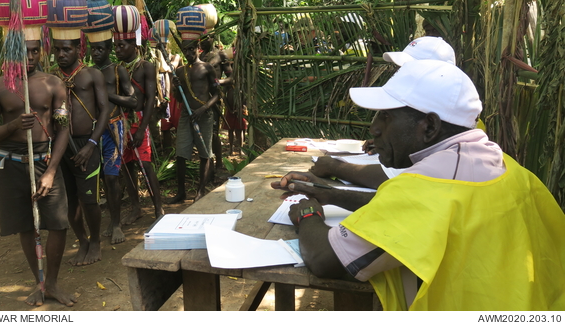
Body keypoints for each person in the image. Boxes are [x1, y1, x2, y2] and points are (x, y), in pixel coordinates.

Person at [277, 60, 565, 310]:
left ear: (429, 126)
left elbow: (324, 259)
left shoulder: (426, 187)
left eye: (386, 116)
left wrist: (307, 214)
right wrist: (329, 192)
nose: (374, 128)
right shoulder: (511, 169)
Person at [290, 36, 458, 197]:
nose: (400, 73)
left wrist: (334, 167)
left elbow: (404, 177)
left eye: (409, 68)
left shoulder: (453, 118)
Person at [0, 39, 76, 307]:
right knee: (25, 224)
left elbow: (63, 129)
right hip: (10, 164)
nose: (31, 56)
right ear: (12, 51)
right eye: (25, 52)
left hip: (45, 162)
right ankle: (40, 282)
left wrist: (51, 171)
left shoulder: (53, 84)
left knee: (58, 224)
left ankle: (53, 283)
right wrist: (12, 125)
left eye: (35, 51)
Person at [54, 38, 110, 261]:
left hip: (87, 143)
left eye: (67, 49)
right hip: (61, 145)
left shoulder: (92, 74)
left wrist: (92, 144)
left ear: (79, 49)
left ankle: (95, 241)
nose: (61, 54)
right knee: (69, 199)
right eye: (57, 49)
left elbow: (104, 110)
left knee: (89, 199)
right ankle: (83, 240)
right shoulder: (51, 77)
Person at [90, 39, 139, 243]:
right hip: (93, 130)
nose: (96, 53)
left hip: (114, 127)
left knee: (111, 177)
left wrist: (107, 95)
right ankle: (110, 220)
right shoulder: (88, 73)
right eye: (93, 49)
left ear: (109, 50)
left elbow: (133, 101)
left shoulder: (118, 70)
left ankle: (116, 224)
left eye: (100, 49)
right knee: (100, 177)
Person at [115, 38, 164, 221]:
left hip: (139, 119)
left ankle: (158, 208)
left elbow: (151, 98)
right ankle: (136, 208)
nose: (118, 49)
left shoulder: (146, 67)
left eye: (122, 45)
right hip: (122, 121)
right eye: (116, 46)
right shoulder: (117, 68)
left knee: (145, 164)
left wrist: (143, 128)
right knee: (127, 166)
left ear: (134, 47)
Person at [169, 39, 220, 203]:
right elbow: (178, 98)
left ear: (198, 48)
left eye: (191, 49)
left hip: (204, 115)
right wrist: (175, 86)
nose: (189, 53)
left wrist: (203, 109)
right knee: (181, 154)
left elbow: (218, 95)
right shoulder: (180, 71)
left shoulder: (207, 68)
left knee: (205, 154)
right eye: (185, 50)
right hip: (187, 115)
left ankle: (200, 191)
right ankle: (181, 192)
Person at [200, 34, 233, 170]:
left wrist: (219, 82)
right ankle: (207, 163)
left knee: (214, 133)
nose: (202, 41)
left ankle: (218, 163)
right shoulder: (199, 57)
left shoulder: (220, 55)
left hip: (214, 99)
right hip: (200, 100)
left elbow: (232, 77)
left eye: (205, 38)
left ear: (212, 37)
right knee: (203, 132)